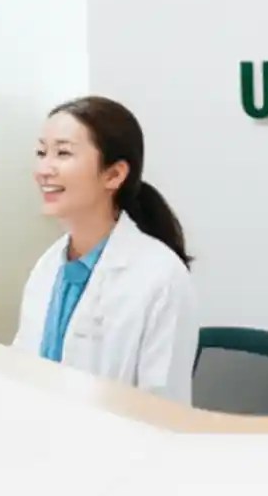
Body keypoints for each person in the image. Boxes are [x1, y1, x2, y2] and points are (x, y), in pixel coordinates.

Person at [12, 96, 199, 404]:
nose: (44, 169)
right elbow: (22, 367)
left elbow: (165, 408)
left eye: (63, 153)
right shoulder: (49, 266)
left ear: (113, 175)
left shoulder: (161, 278)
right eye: (41, 152)